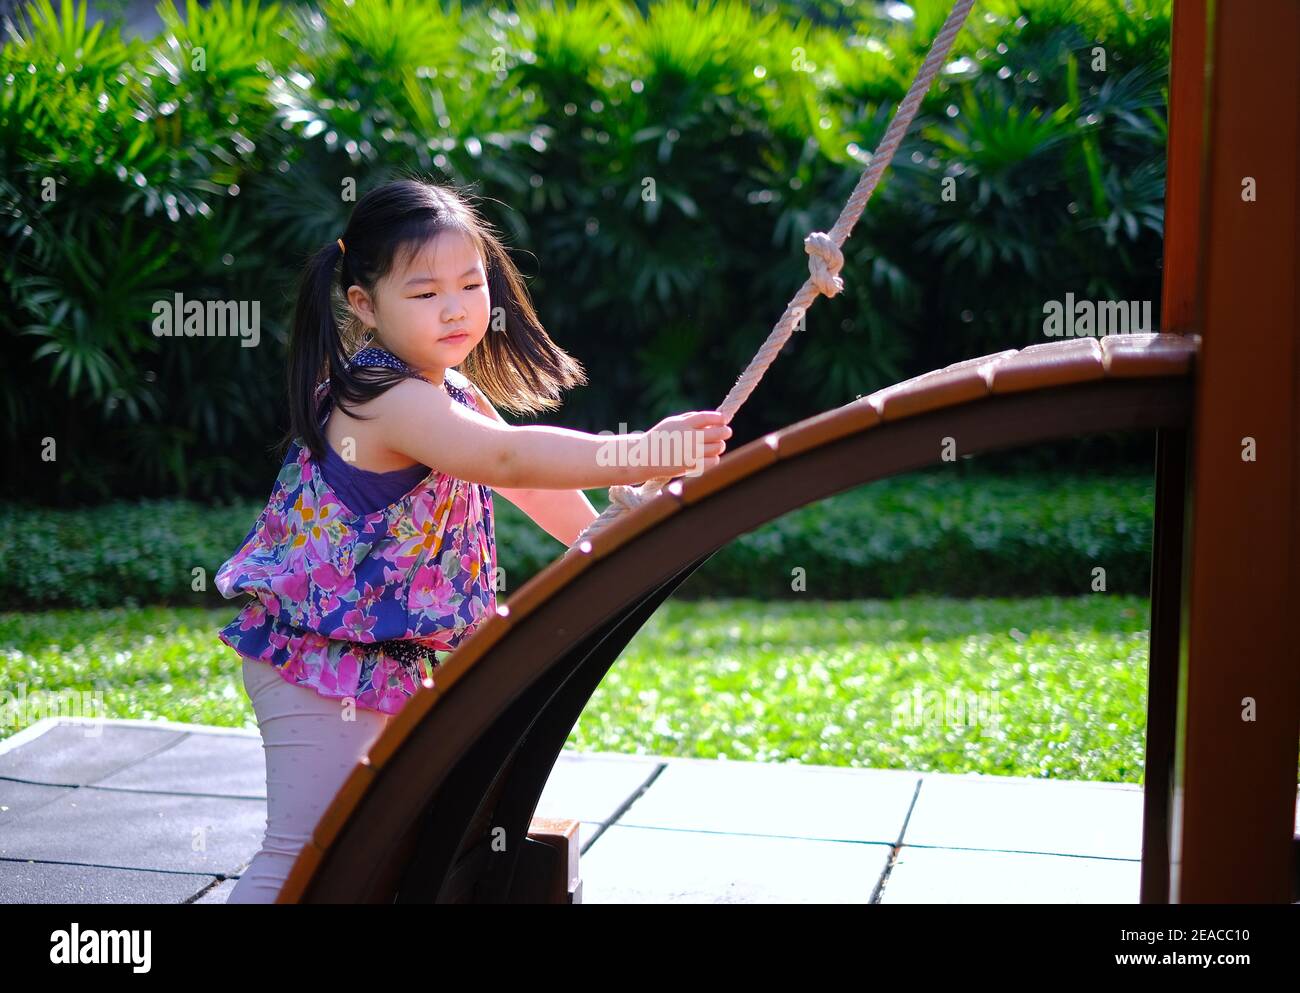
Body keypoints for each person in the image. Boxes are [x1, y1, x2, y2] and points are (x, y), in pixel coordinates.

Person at [217, 177, 731, 902]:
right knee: (306, 856)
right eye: (425, 293)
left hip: (394, 660)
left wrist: (602, 537)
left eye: (470, 282)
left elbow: (524, 480)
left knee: (384, 853)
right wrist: (641, 450)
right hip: (319, 662)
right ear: (363, 304)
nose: (456, 307)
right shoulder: (384, 399)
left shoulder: (449, 388)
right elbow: (506, 460)